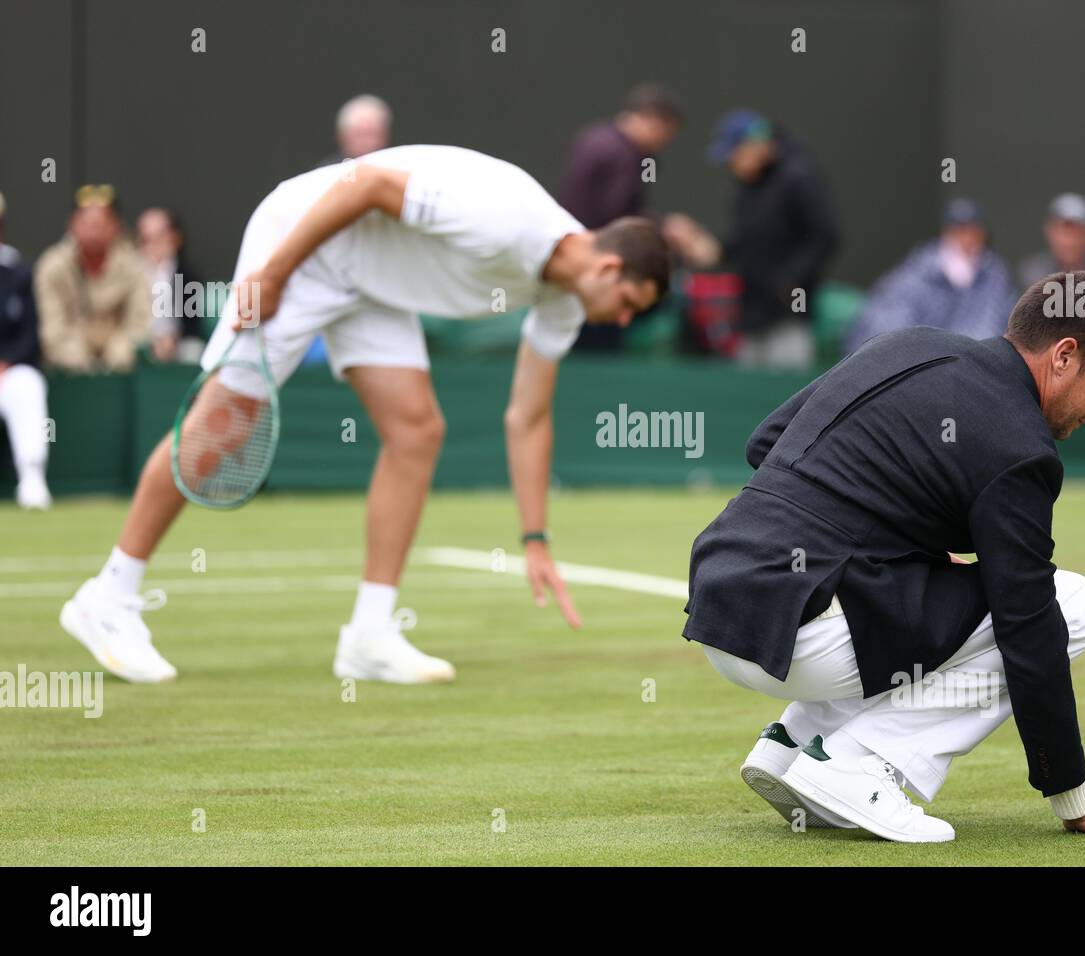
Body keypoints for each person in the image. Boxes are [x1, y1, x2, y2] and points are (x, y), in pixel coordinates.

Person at [59, 145, 669, 684]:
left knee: (416, 431)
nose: (620, 320)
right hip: (305, 242)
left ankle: (370, 636)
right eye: (627, 304)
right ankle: (108, 596)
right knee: (223, 426)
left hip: (374, 285)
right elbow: (366, 184)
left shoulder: (562, 301)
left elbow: (528, 417)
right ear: (611, 268)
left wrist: (535, 540)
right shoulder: (508, 218)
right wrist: (273, 273)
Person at [682, 271, 1085, 842]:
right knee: (1075, 603)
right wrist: (1075, 801)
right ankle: (858, 766)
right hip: (800, 631)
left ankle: (792, 749)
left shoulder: (907, 343)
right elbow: (1029, 626)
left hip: (720, 604)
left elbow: (766, 442)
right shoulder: (1021, 448)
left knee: (933, 582)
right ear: (1064, 357)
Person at [663, 109, 839, 370]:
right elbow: (745, 240)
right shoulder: (747, 187)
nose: (731, 163)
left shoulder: (799, 176)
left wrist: (791, 281)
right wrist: (714, 250)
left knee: (787, 395)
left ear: (756, 145)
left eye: (734, 154)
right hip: (750, 313)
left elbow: (826, 235)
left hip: (788, 314)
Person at [559, 84, 682, 351]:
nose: (664, 143)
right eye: (666, 134)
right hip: (603, 277)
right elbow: (616, 220)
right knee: (600, 359)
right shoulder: (626, 154)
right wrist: (662, 231)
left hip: (575, 270)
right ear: (653, 120)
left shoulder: (594, 137)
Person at [844, 198, 1017, 354]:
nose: (967, 239)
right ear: (945, 233)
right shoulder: (918, 271)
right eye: (958, 231)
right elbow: (883, 325)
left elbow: (1002, 327)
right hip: (925, 367)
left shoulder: (994, 274)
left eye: (973, 231)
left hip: (976, 366)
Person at [34, 185, 153, 372]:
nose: (94, 232)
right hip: (69, 366)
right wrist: (81, 363)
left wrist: (117, 357)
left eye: (101, 224)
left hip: (120, 362)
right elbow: (52, 330)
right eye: (87, 223)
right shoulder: (53, 266)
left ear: (116, 227)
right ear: (72, 225)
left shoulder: (134, 266)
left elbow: (139, 325)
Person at [0, 190, 52, 509]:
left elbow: (31, 336)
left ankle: (32, 479)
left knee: (28, 384)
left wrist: (6, 363)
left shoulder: (19, 272)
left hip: (10, 371)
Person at [136, 207, 207, 363]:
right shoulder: (132, 276)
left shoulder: (188, 276)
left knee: (192, 351)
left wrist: (172, 340)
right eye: (146, 239)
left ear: (175, 239)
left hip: (177, 343)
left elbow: (192, 323)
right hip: (142, 340)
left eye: (159, 237)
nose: (153, 245)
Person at [1018, 193, 1085, 287]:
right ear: (1049, 232)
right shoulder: (1031, 274)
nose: (1069, 242)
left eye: (1077, 234)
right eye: (1063, 233)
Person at [317, 94, 393, 167]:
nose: (366, 142)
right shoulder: (327, 171)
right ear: (342, 136)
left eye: (373, 134)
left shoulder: (396, 166)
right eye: (360, 134)